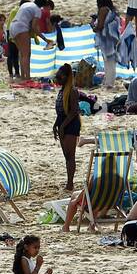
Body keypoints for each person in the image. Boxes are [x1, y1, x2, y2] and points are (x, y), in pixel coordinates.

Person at [53, 63, 80, 191]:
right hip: (63, 123)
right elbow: (61, 111)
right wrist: (56, 125)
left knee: (70, 156)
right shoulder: (62, 91)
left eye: (60, 78)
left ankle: (70, 183)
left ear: (66, 77)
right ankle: (69, 182)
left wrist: (63, 126)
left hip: (71, 124)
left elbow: (74, 111)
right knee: (66, 156)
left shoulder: (72, 91)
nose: (57, 80)